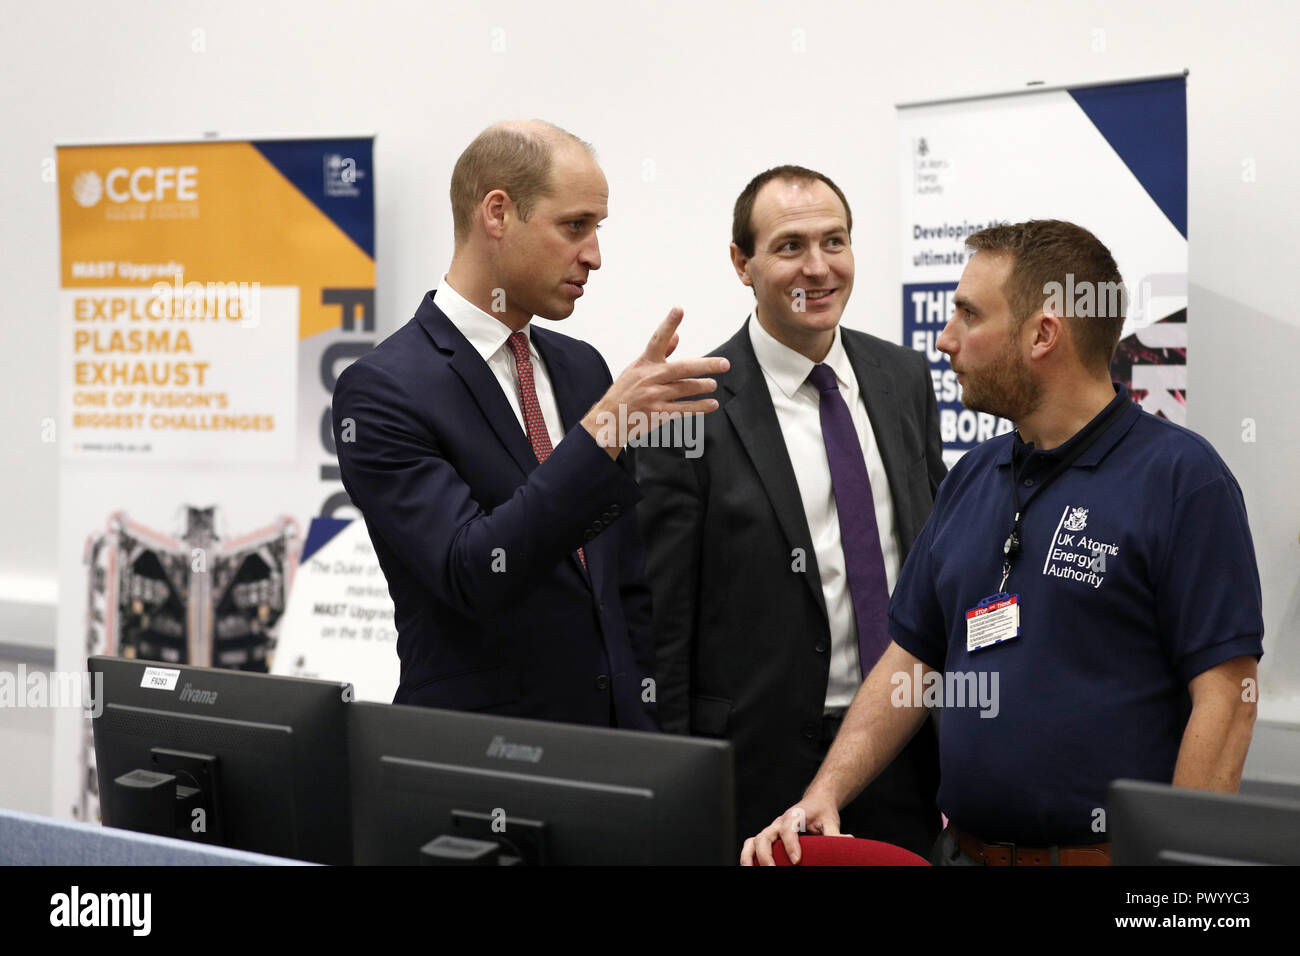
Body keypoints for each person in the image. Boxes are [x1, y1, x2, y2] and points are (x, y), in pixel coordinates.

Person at [742, 219, 1262, 866]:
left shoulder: (1183, 480)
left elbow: (1228, 698)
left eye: (967, 314)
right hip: (960, 853)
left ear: (1043, 334)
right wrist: (827, 792)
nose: (945, 338)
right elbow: (912, 658)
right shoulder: (972, 476)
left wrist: (1177, 880)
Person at [332, 121, 727, 729]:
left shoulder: (581, 366)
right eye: (575, 226)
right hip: (481, 760)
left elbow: (623, 585)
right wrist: (601, 433)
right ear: (498, 213)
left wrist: (652, 738)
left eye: (597, 228)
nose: (594, 254)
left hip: (617, 756)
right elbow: (473, 570)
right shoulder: (381, 389)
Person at [636, 165, 945, 853]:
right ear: (741, 264)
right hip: (755, 767)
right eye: (789, 247)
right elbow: (663, 624)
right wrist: (677, 782)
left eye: (835, 242)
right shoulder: (687, 406)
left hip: (903, 747)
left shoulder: (903, 379)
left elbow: (933, 560)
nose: (819, 267)